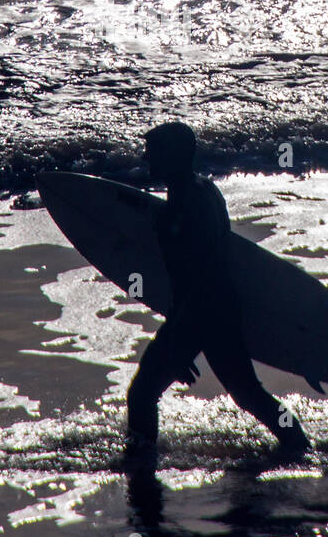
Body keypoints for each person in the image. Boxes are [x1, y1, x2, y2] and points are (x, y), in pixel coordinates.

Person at [126, 121, 310, 461]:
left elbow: (197, 277)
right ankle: (298, 444)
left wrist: (179, 345)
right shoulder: (205, 192)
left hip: (198, 313)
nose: (146, 160)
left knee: (142, 393)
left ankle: (141, 461)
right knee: (247, 393)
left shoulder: (181, 209)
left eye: (154, 154)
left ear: (175, 157)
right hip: (220, 310)